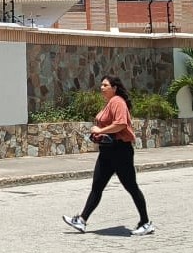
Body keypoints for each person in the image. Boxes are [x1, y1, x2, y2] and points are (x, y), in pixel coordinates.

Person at [62, 75, 154, 236]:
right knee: (97, 186)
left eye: (105, 85)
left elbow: (120, 124)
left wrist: (100, 131)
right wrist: (99, 134)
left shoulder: (118, 102)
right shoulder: (110, 103)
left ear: (114, 88)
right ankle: (82, 220)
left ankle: (146, 223)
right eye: (101, 85)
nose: (102, 88)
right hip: (107, 151)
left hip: (120, 151)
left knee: (131, 187)